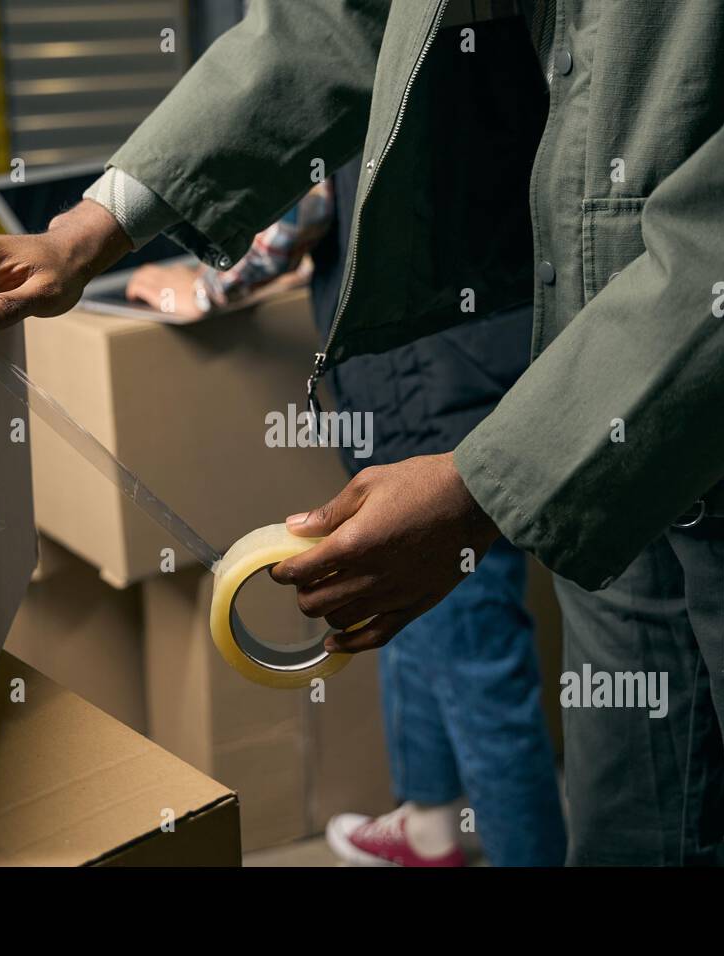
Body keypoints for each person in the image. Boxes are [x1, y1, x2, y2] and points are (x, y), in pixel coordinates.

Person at [0, 0, 724, 865]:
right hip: (606, 462)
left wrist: (489, 486)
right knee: (622, 829)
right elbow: (341, 17)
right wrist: (87, 229)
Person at [126, 161, 566, 867]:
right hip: (475, 352)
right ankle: (428, 826)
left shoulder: (366, 51)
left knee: (477, 660)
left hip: (434, 384)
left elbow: (308, 202)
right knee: (408, 601)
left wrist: (205, 287)